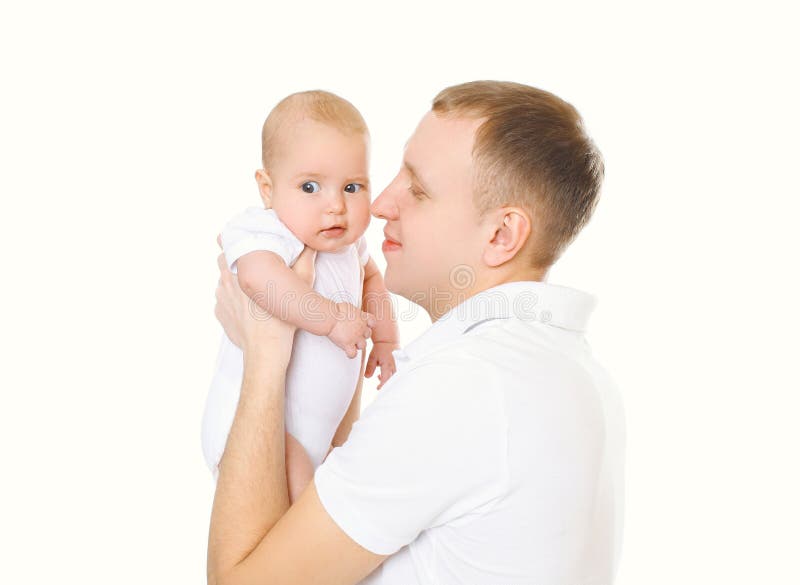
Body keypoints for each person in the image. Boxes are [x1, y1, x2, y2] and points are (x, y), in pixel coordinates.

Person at [207, 81, 626, 585]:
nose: (380, 203)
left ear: (501, 235)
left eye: (418, 189)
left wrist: (266, 352)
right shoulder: (568, 370)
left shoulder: (465, 388)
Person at [200, 90, 399, 499]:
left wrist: (385, 338)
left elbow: (373, 281)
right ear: (267, 189)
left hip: (318, 436)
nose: (335, 207)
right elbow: (258, 279)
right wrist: (329, 319)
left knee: (335, 483)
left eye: (352, 187)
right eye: (310, 186)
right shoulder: (266, 230)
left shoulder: (349, 248)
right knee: (309, 501)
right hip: (258, 429)